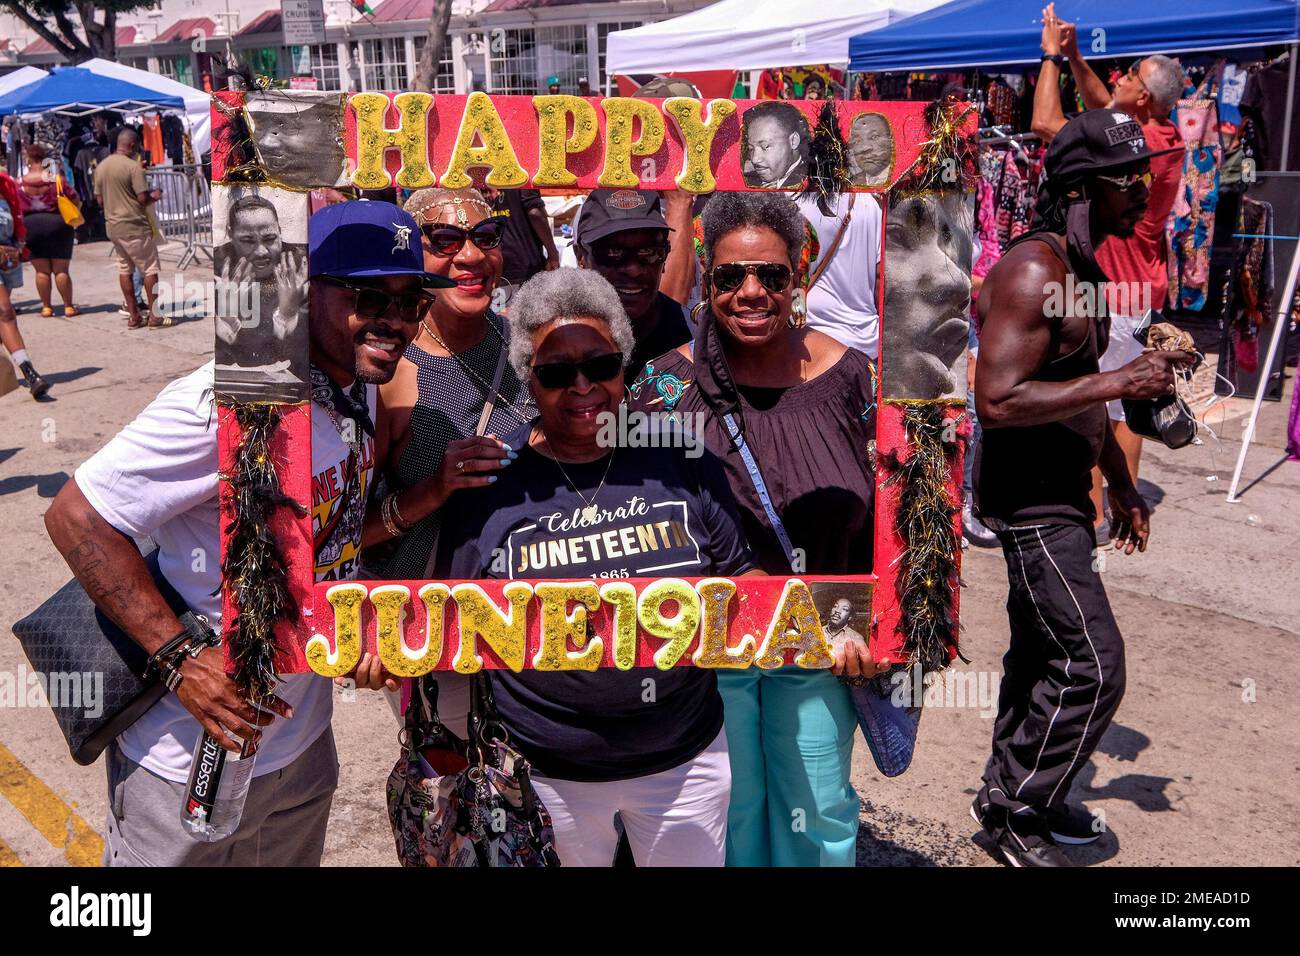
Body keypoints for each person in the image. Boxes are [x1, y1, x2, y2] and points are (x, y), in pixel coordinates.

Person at [42, 200, 442, 865]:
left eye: (411, 304)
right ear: (303, 292)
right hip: (183, 759)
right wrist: (177, 661)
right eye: (371, 297)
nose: (395, 321)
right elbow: (76, 515)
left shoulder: (360, 388)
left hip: (301, 747)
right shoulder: (221, 403)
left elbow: (330, 537)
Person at [433, 267, 757, 866]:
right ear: (530, 380)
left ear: (625, 365)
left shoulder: (681, 457)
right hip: (545, 771)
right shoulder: (488, 483)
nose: (582, 386)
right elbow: (450, 620)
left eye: (601, 367)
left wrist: (824, 625)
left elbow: (743, 579)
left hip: (684, 761)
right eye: (557, 373)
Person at [630, 192, 886, 867]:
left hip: (825, 638)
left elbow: (901, 510)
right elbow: (627, 517)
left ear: (798, 276)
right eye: (730, 276)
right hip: (710, 650)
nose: (752, 292)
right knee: (727, 811)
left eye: (771, 275)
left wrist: (885, 621)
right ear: (706, 276)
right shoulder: (660, 389)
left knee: (821, 810)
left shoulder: (854, 379)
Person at [970, 110, 1194, 867]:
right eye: (1127, 177)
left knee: (1039, 657)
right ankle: (1013, 812)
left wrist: (1123, 481)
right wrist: (1121, 377)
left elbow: (1082, 394)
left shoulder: (1083, 268)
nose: (1144, 189)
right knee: (1094, 663)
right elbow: (996, 400)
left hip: (1065, 492)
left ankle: (1023, 787)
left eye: (1146, 174)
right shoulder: (1036, 272)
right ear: (1080, 185)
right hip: (1030, 503)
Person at [1032, 3, 1186, 540]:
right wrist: (1077, 55)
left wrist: (1052, 55)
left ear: (1142, 98)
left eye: (1129, 74)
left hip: (1114, 297)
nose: (1117, 76)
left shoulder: (1142, 146)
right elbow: (1104, 105)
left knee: (1093, 401)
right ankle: (1124, 502)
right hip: (1138, 292)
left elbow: (1048, 123)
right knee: (1126, 407)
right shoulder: (1160, 135)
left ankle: (1095, 516)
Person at [363, 187, 526, 593]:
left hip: (526, 602)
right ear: (412, 254)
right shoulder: (390, 370)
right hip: (427, 614)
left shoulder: (531, 346)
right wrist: (435, 489)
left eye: (486, 236)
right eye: (444, 241)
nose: (471, 256)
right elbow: (345, 534)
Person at [574, 188, 693, 383]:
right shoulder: (557, 336)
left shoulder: (693, 337)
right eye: (613, 253)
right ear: (581, 257)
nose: (633, 270)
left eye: (649, 252)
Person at [214, 193, 309, 390]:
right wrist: (228, 319)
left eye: (269, 239)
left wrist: (288, 313)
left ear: (280, 232)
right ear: (231, 235)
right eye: (248, 240)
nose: (261, 252)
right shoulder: (219, 267)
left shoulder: (301, 265)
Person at [794, 188, 884, 359]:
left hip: (812, 342)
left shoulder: (793, 203)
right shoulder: (868, 203)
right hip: (866, 342)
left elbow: (797, 273)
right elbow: (880, 275)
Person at [94, 128, 165, 329]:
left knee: (124, 269)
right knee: (149, 269)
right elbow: (143, 198)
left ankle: (133, 316)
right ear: (133, 145)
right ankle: (154, 316)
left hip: (113, 227)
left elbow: (99, 200)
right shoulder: (133, 168)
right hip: (135, 226)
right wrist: (155, 196)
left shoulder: (102, 166)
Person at [0, 165, 48, 398]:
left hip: (7, 256)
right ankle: (29, 372)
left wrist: (18, 245)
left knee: (2, 315)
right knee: (5, 311)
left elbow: (17, 212)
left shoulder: (5, 182)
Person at [18, 143, 78, 317]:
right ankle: (68, 306)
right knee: (61, 270)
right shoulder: (55, 179)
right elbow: (73, 197)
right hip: (57, 223)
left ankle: (46, 307)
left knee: (42, 271)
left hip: (31, 226)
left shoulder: (21, 183)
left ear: (28, 159)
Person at [482, 185, 558, 290]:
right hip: (526, 266)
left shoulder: (479, 175)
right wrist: (553, 253)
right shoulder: (523, 174)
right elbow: (535, 213)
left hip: (493, 265)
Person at [741, 102, 810, 189]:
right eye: (751, 148)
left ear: (793, 141)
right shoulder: (749, 180)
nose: (754, 159)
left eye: (765, 146)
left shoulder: (812, 181)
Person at [846, 113, 894, 188]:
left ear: (891, 140)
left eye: (874, 137)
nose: (864, 148)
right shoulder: (849, 184)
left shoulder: (906, 183)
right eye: (857, 141)